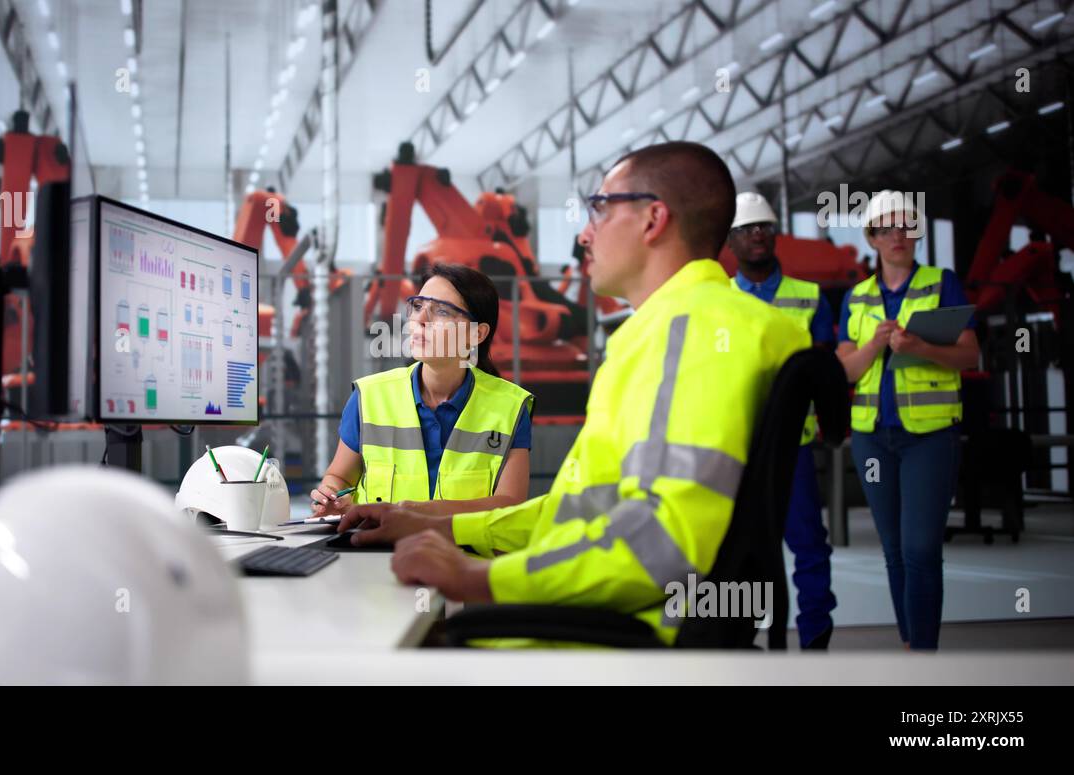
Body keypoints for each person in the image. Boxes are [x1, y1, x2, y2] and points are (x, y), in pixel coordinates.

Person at [337, 142, 809, 644]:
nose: (585, 234)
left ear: (653, 219)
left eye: (600, 210)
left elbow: (661, 543)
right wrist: (427, 521)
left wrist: (478, 579)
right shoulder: (671, 329)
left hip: (612, 638)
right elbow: (579, 510)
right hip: (604, 619)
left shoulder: (693, 329)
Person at [836, 190, 980, 651]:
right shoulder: (855, 298)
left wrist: (922, 349)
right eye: (886, 228)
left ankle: (923, 654)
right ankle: (909, 644)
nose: (897, 235)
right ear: (873, 238)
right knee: (895, 550)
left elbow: (969, 354)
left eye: (906, 226)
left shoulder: (943, 283)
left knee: (920, 549)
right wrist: (874, 346)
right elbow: (846, 372)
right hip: (872, 438)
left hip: (930, 437)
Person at [310, 263, 533, 518]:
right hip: (374, 554)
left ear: (477, 334)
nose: (420, 320)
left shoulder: (510, 407)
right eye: (418, 307)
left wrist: (418, 512)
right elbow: (338, 477)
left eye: (442, 311)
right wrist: (330, 495)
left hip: (463, 556)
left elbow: (510, 506)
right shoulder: (369, 397)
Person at [726, 192, 839, 649]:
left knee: (808, 545)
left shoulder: (810, 298)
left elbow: (827, 372)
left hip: (793, 447)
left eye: (765, 227)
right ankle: (743, 640)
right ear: (730, 240)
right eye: (748, 228)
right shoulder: (717, 301)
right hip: (735, 449)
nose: (758, 233)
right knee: (741, 551)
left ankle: (815, 644)